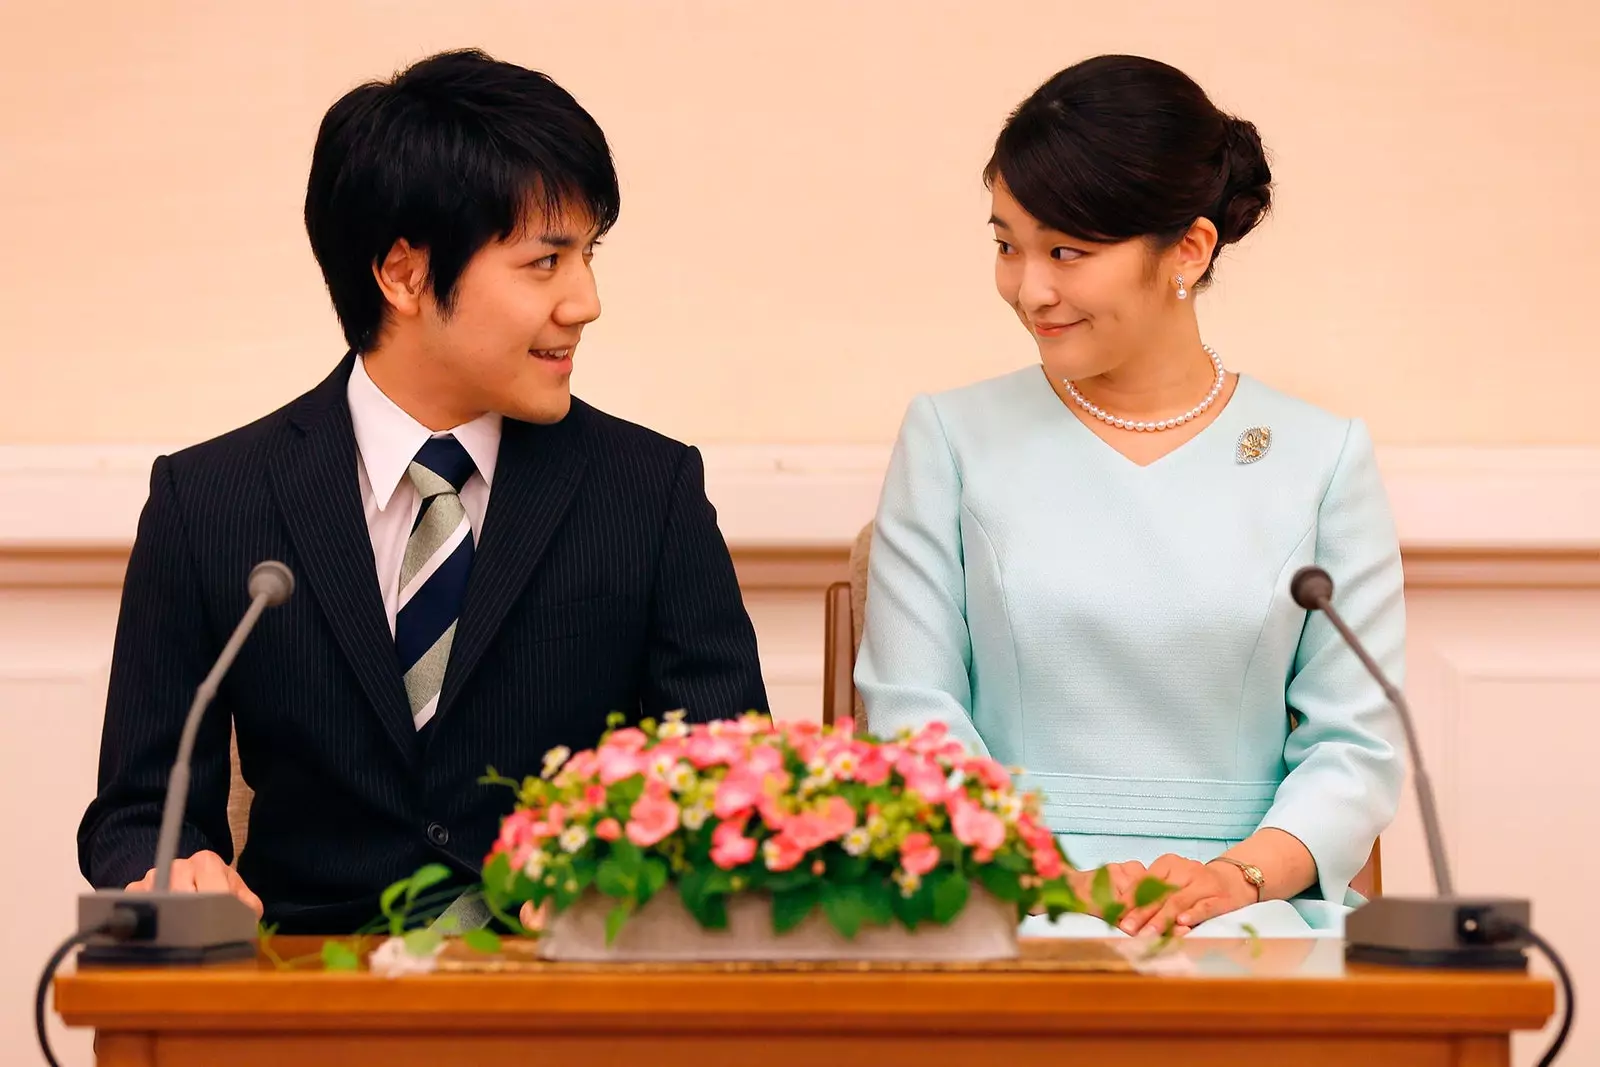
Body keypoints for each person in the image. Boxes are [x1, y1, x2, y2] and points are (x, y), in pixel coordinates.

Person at [78, 49, 768, 934]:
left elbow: (734, 785)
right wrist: (171, 867)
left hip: (565, 995)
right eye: (545, 262)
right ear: (403, 274)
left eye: (588, 254)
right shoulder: (208, 501)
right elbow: (136, 809)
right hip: (306, 998)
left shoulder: (650, 491)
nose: (586, 300)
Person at [856, 55, 1405, 938]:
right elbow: (913, 713)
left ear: (1188, 248)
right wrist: (1051, 878)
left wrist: (1239, 876)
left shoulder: (1322, 457)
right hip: (1006, 899)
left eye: (1067, 252)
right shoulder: (951, 438)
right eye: (1007, 245)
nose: (1029, 289)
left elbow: (1356, 744)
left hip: (1248, 907)